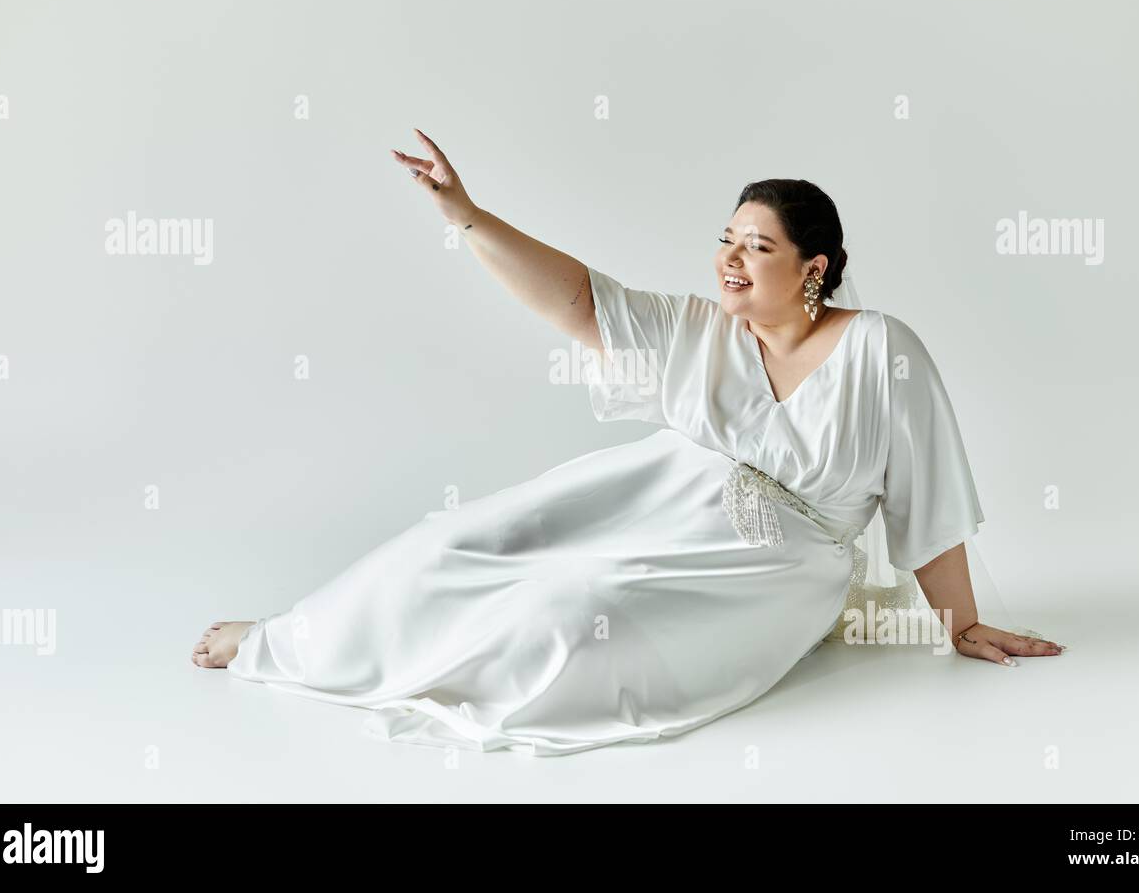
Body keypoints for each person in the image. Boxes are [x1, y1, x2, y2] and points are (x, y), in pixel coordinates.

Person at [191, 128, 1063, 756]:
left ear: (814, 269)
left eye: (757, 247)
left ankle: (444, 675)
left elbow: (927, 490)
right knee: (450, 541)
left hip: (765, 571)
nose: (729, 258)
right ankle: (287, 642)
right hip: (647, 498)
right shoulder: (698, 330)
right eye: (726, 239)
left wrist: (962, 623)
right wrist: (468, 216)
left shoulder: (881, 348)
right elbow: (578, 300)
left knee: (573, 608)